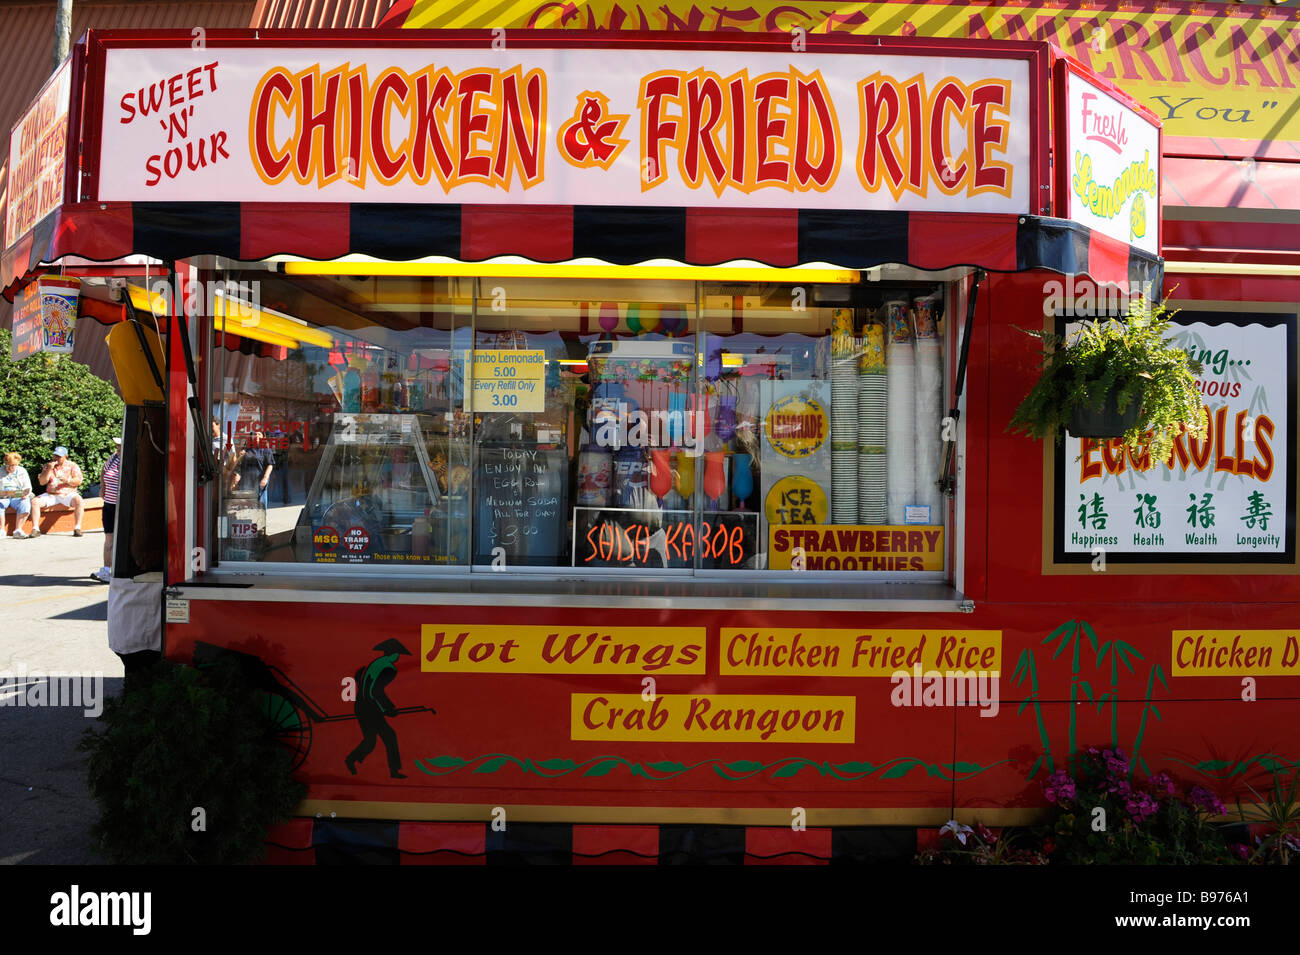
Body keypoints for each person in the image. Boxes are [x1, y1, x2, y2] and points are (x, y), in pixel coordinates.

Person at [33, 446, 84, 537]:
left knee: (79, 501)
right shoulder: (48, 466)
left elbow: (79, 481)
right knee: (35, 502)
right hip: (51, 494)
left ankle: (77, 528)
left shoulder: (72, 465)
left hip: (68, 493)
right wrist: (49, 469)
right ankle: (35, 529)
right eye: (55, 456)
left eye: (59, 456)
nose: (56, 458)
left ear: (66, 457)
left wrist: (67, 480)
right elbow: (42, 482)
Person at [91, 437, 122, 582]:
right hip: (109, 503)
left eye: (120, 445)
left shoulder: (129, 459)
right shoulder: (114, 457)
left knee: (120, 538)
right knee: (108, 538)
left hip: (121, 505)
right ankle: (106, 570)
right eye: (117, 445)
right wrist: (102, 487)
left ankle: (118, 571)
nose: (117, 447)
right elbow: (104, 469)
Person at [230, 430, 274, 508]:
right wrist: (237, 473)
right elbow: (239, 463)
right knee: (247, 505)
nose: (256, 436)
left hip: (259, 480)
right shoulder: (246, 448)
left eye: (259, 434)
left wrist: (265, 478)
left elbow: (270, 464)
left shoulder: (265, 449)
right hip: (246, 481)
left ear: (263, 437)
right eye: (254, 434)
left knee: (260, 505)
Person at [0, 452, 34, 538]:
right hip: (3, 496)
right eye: (8, 466)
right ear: (5, 464)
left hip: (18, 495)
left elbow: (28, 487)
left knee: (25, 503)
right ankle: (1, 530)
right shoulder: (0, 471)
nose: (11, 468)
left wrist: (25, 494)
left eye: (13, 466)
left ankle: (18, 530)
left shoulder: (22, 471)